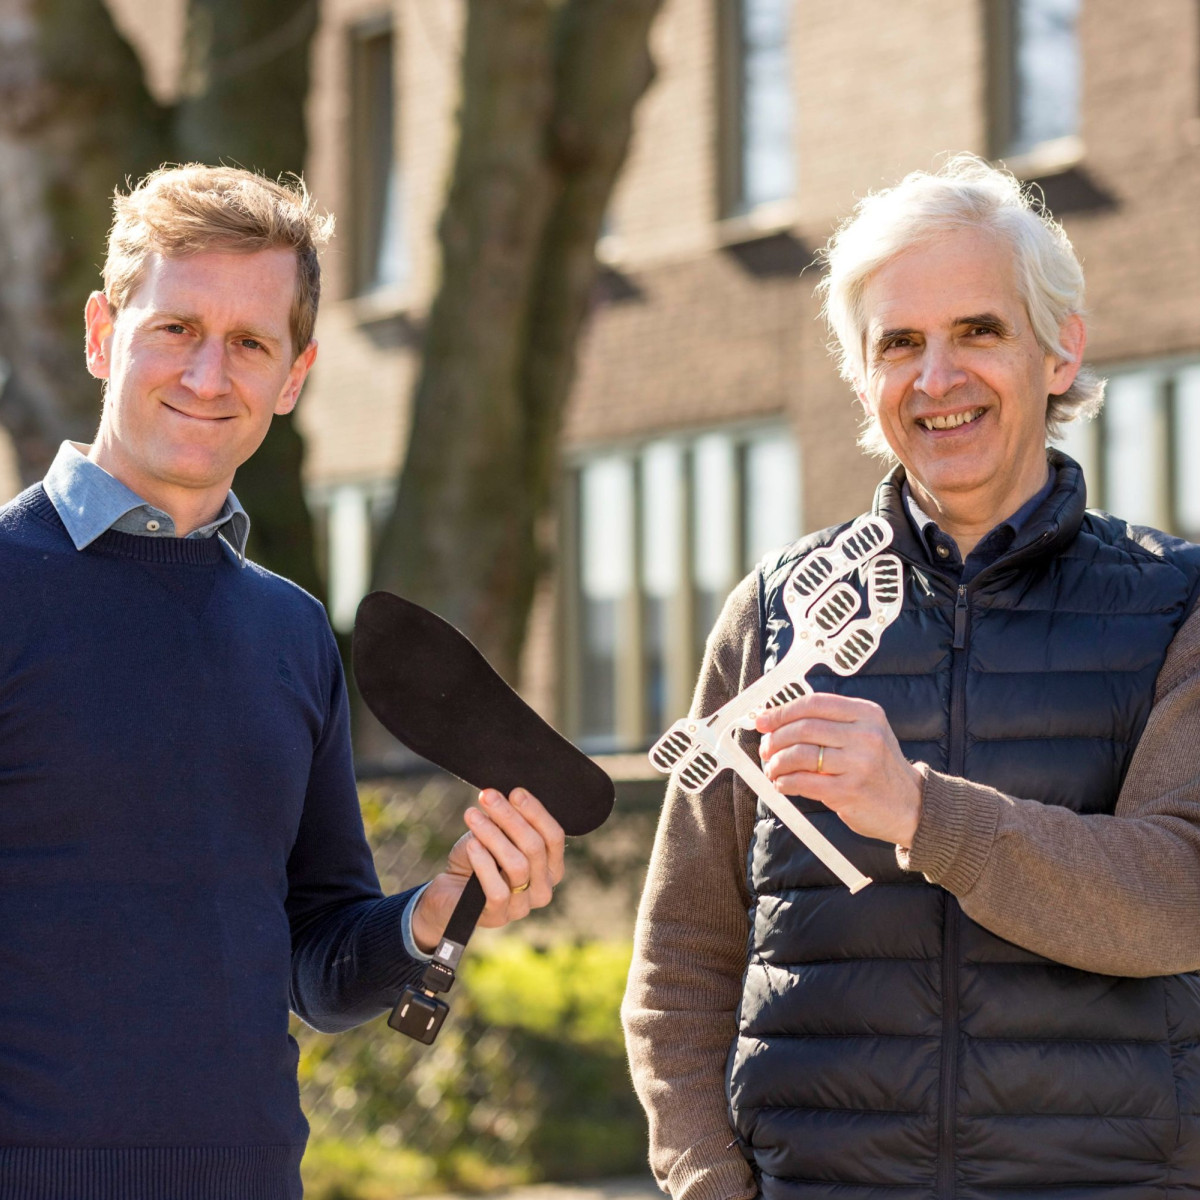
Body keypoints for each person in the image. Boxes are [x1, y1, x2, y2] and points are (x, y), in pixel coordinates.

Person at [622, 154, 1200, 1200]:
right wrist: (709, 1183)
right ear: (862, 376)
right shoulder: (774, 614)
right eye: (900, 344)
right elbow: (681, 958)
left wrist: (919, 809)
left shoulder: (1179, 611)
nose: (938, 379)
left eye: (979, 331)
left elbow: (1179, 897)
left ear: (1060, 350)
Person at [0, 164, 565, 1200]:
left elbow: (317, 957)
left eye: (249, 344)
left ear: (294, 376)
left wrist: (432, 912)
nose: (208, 376)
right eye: (174, 328)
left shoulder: (292, 631)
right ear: (99, 333)